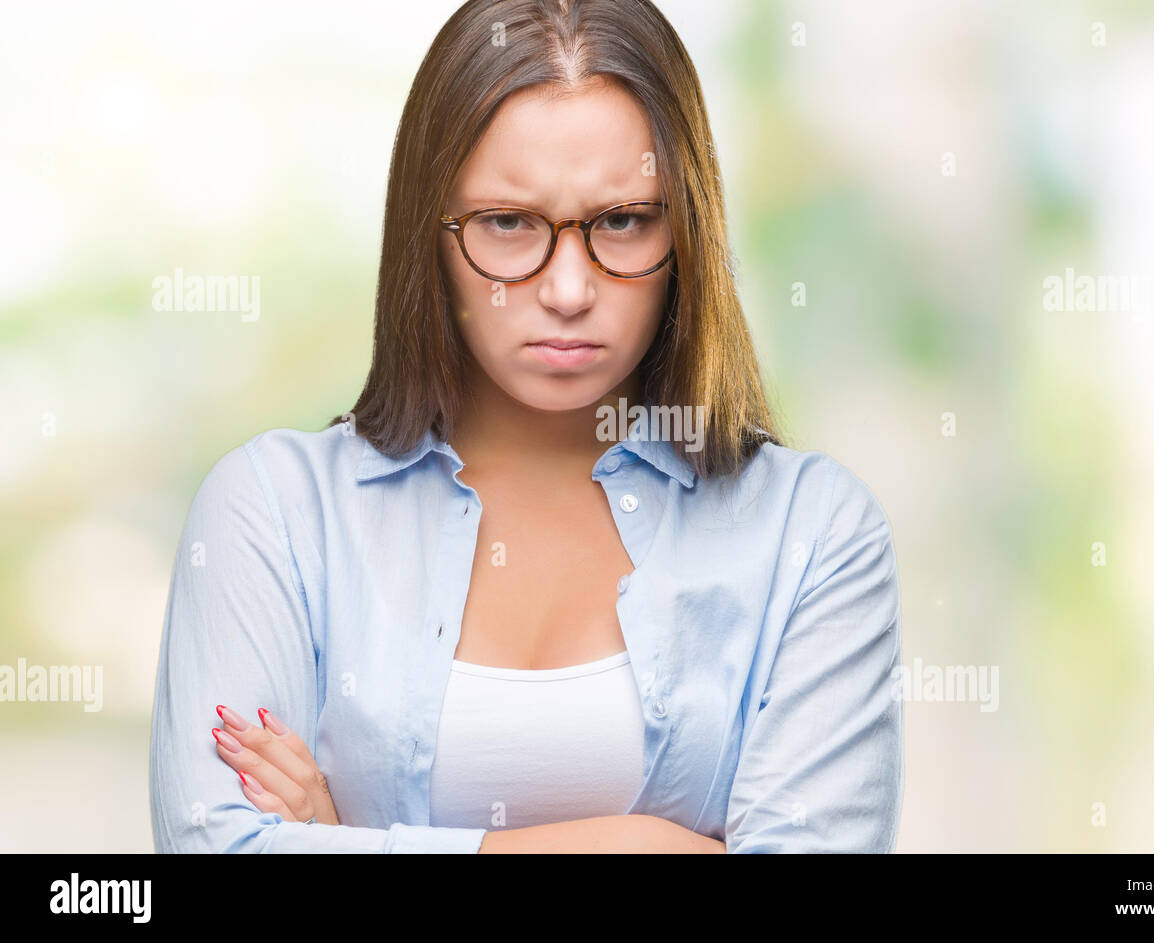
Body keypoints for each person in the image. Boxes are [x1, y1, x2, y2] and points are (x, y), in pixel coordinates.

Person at [149, 0, 903, 853]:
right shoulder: (275, 512)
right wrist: (650, 846)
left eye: (623, 220)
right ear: (427, 233)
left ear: (686, 229)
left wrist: (354, 840)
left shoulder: (814, 531)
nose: (570, 289)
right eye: (509, 223)